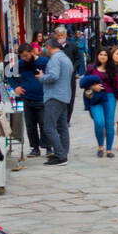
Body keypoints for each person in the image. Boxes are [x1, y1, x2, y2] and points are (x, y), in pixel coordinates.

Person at [8, 43, 50, 159]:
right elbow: (9, 76)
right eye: (22, 56)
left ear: (32, 52)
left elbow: (53, 75)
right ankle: (35, 148)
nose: (25, 58)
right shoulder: (20, 64)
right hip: (27, 98)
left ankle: (48, 147)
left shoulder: (44, 62)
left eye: (26, 55)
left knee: (44, 123)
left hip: (42, 97)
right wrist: (15, 87)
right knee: (30, 125)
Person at [38, 38, 73, 166]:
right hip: (64, 95)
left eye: (45, 48)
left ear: (48, 47)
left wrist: (41, 77)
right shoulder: (65, 58)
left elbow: (53, 75)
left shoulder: (55, 59)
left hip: (54, 96)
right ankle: (63, 152)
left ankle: (60, 155)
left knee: (48, 126)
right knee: (62, 126)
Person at [79, 48, 118, 158]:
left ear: (108, 57)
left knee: (109, 124)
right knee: (99, 122)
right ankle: (100, 146)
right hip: (95, 98)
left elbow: (117, 85)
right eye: (101, 54)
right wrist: (92, 86)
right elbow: (83, 82)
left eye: (105, 55)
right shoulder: (91, 68)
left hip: (109, 97)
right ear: (97, 56)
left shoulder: (112, 69)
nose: (103, 56)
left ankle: (109, 149)